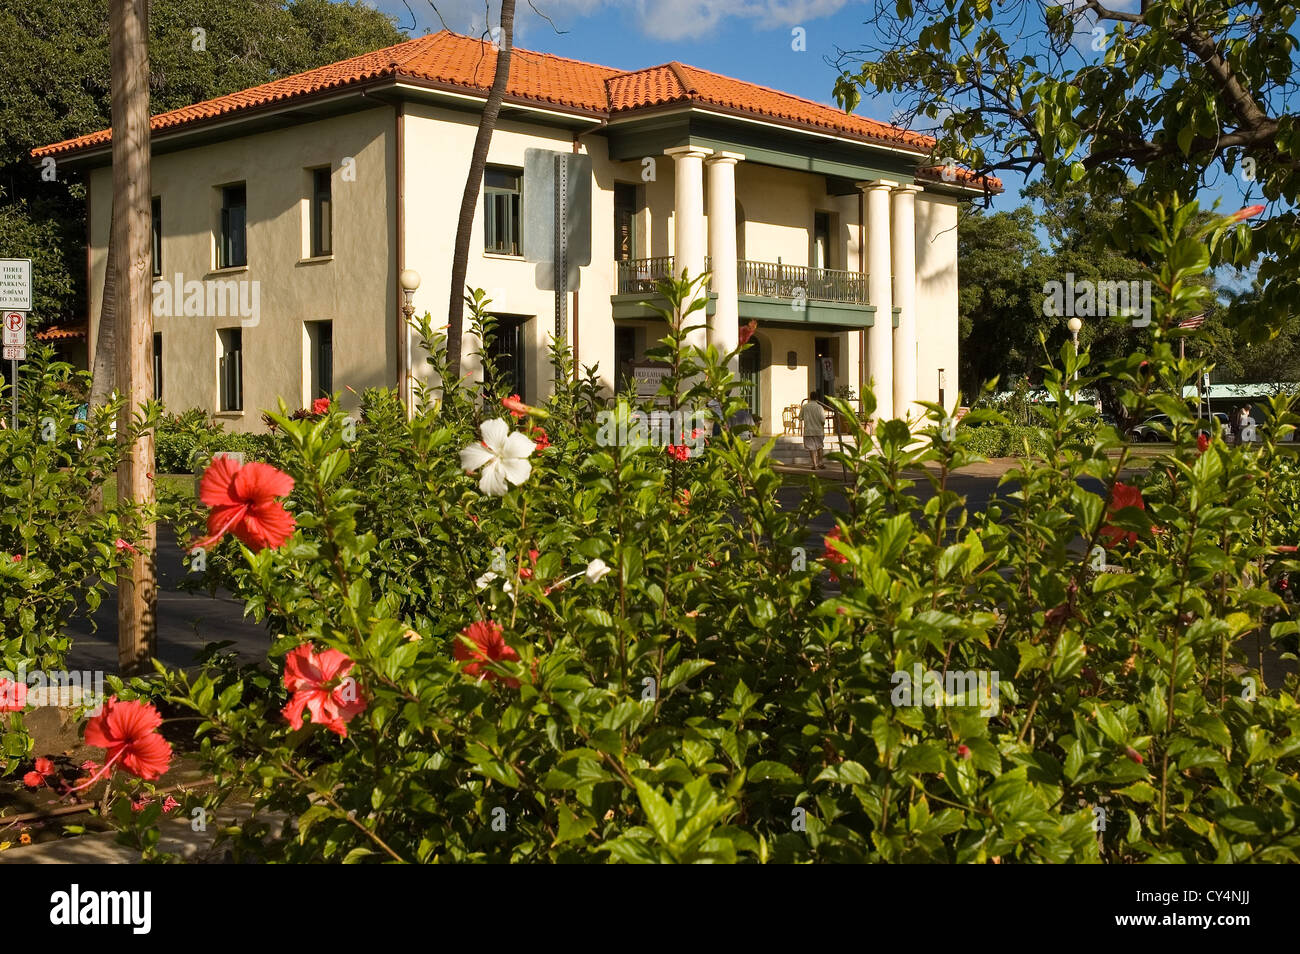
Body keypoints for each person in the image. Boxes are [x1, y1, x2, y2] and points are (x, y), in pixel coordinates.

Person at [800, 390, 827, 469]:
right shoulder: (820, 407)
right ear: (817, 398)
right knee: (820, 447)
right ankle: (820, 462)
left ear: (810, 397)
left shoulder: (805, 407)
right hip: (818, 430)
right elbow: (823, 420)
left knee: (811, 448)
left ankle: (814, 464)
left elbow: (800, 417)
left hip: (808, 431)